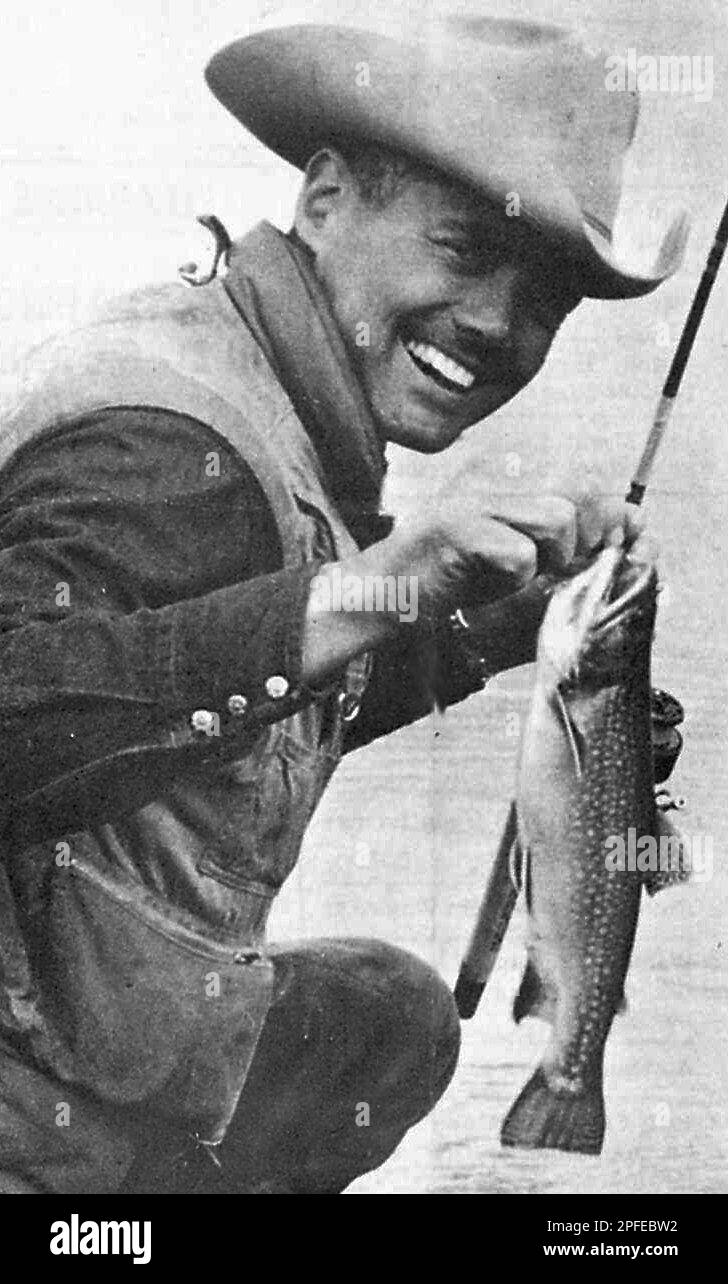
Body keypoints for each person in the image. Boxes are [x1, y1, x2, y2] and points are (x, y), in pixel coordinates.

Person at [0, 17, 687, 1194]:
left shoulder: (260, 392)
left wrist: (496, 628)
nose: (497, 324)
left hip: (92, 1030)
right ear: (323, 199)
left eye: (546, 301)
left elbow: (204, 719)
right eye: (464, 249)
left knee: (390, 1021)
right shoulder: (169, 439)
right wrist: (379, 584)